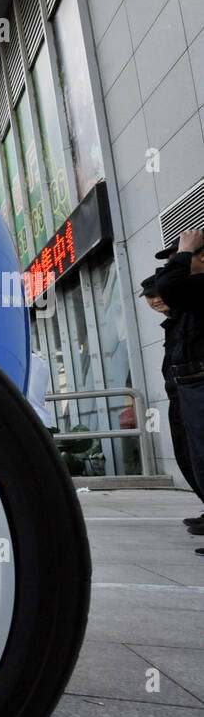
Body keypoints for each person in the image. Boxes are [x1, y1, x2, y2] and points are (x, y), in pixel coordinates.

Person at [153, 228, 204, 552]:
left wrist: (184, 253)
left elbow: (169, 286)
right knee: (195, 457)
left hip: (198, 383)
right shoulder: (190, 297)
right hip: (188, 386)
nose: (176, 262)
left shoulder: (194, 290)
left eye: (184, 256)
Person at [141, 275, 203, 526]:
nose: (154, 300)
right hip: (178, 396)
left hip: (193, 394)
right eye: (149, 297)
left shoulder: (192, 314)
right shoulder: (172, 323)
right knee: (188, 456)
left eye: (158, 294)